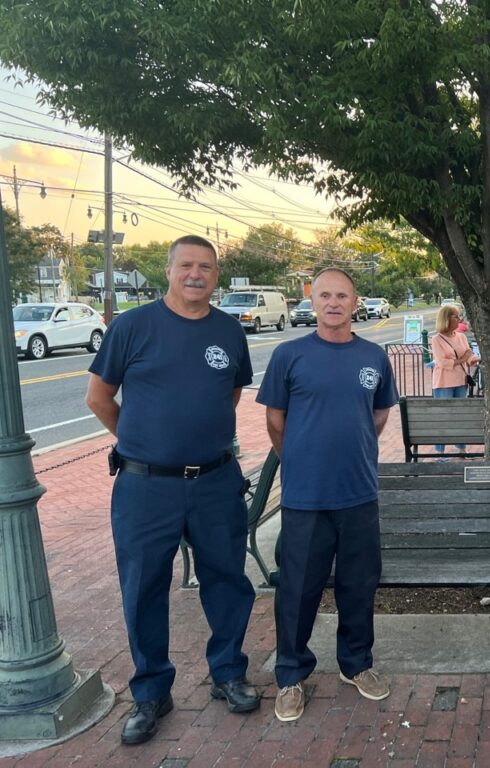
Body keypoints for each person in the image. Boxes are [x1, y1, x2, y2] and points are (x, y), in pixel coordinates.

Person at [85, 235, 259, 745]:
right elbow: (98, 397)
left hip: (215, 481)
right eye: (186, 265)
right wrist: (142, 442)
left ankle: (228, 672)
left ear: (216, 275)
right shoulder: (131, 327)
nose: (195, 274)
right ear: (169, 270)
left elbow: (230, 394)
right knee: (143, 587)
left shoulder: (229, 330)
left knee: (226, 579)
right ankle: (151, 691)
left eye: (205, 266)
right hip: (145, 486)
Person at [257, 267, 399, 722]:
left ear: (355, 302)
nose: (334, 303)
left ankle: (356, 664)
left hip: (358, 493)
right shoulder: (289, 355)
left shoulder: (373, 356)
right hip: (306, 497)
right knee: (297, 590)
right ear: (312, 301)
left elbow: (379, 414)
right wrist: (300, 459)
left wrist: (352, 448)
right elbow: (275, 420)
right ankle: (291, 675)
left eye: (342, 296)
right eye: (325, 296)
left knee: (359, 585)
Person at [429, 304, 479, 455]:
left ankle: (461, 448)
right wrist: (463, 358)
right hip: (443, 383)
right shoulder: (436, 339)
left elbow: (469, 356)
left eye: (459, 316)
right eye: (456, 317)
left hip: (461, 381)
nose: (459, 319)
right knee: (443, 417)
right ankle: (440, 452)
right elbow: (443, 363)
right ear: (446, 319)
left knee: (460, 416)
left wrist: (475, 359)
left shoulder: (461, 337)